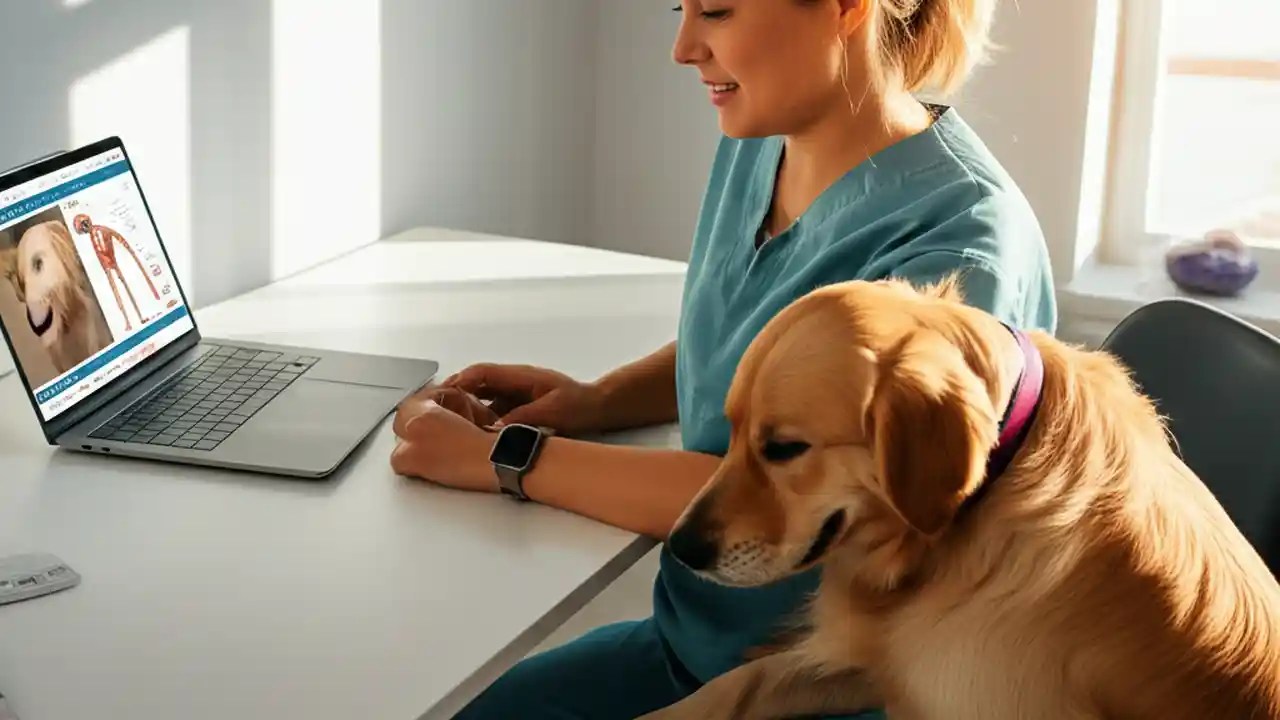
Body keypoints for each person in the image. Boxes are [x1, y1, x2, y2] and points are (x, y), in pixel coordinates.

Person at [390, 0, 1057, 717]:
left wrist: (505, 460)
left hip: (838, 691)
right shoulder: (764, 135)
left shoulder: (955, 251)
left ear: (847, 7)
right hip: (693, 652)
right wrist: (600, 401)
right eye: (681, 8)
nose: (682, 48)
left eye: (715, 11)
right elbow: (767, 360)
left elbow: (762, 501)